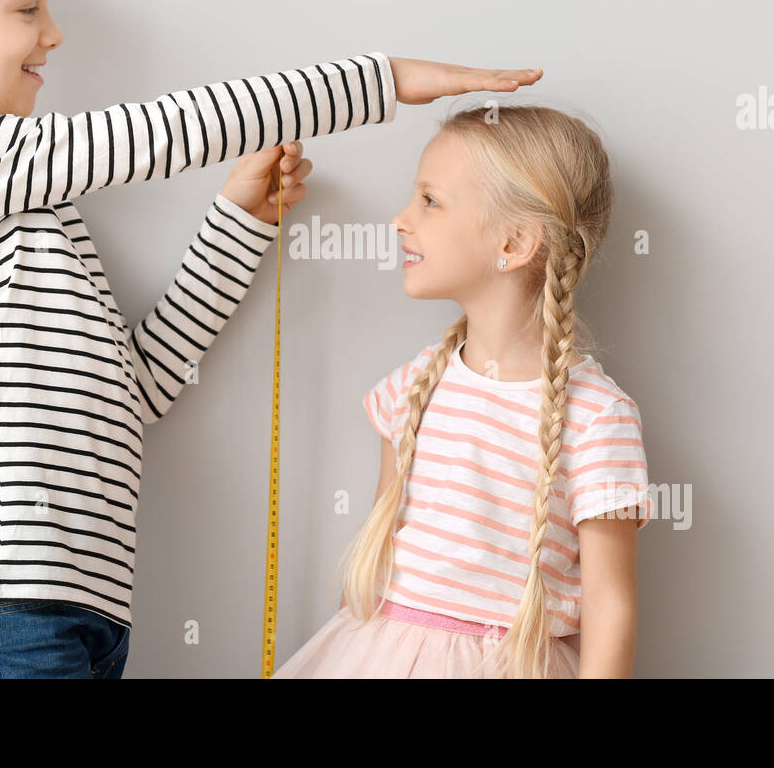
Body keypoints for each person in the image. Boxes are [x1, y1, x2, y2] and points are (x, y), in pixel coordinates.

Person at [0, 0, 543, 677]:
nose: (53, 33)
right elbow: (159, 131)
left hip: (69, 600)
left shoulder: (24, 205)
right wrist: (382, 81)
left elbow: (138, 389)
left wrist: (238, 221)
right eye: (27, 9)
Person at [273, 104, 652, 678]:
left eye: (430, 200)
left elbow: (610, 606)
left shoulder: (598, 419)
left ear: (514, 243)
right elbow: (378, 565)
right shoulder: (411, 389)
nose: (401, 219)